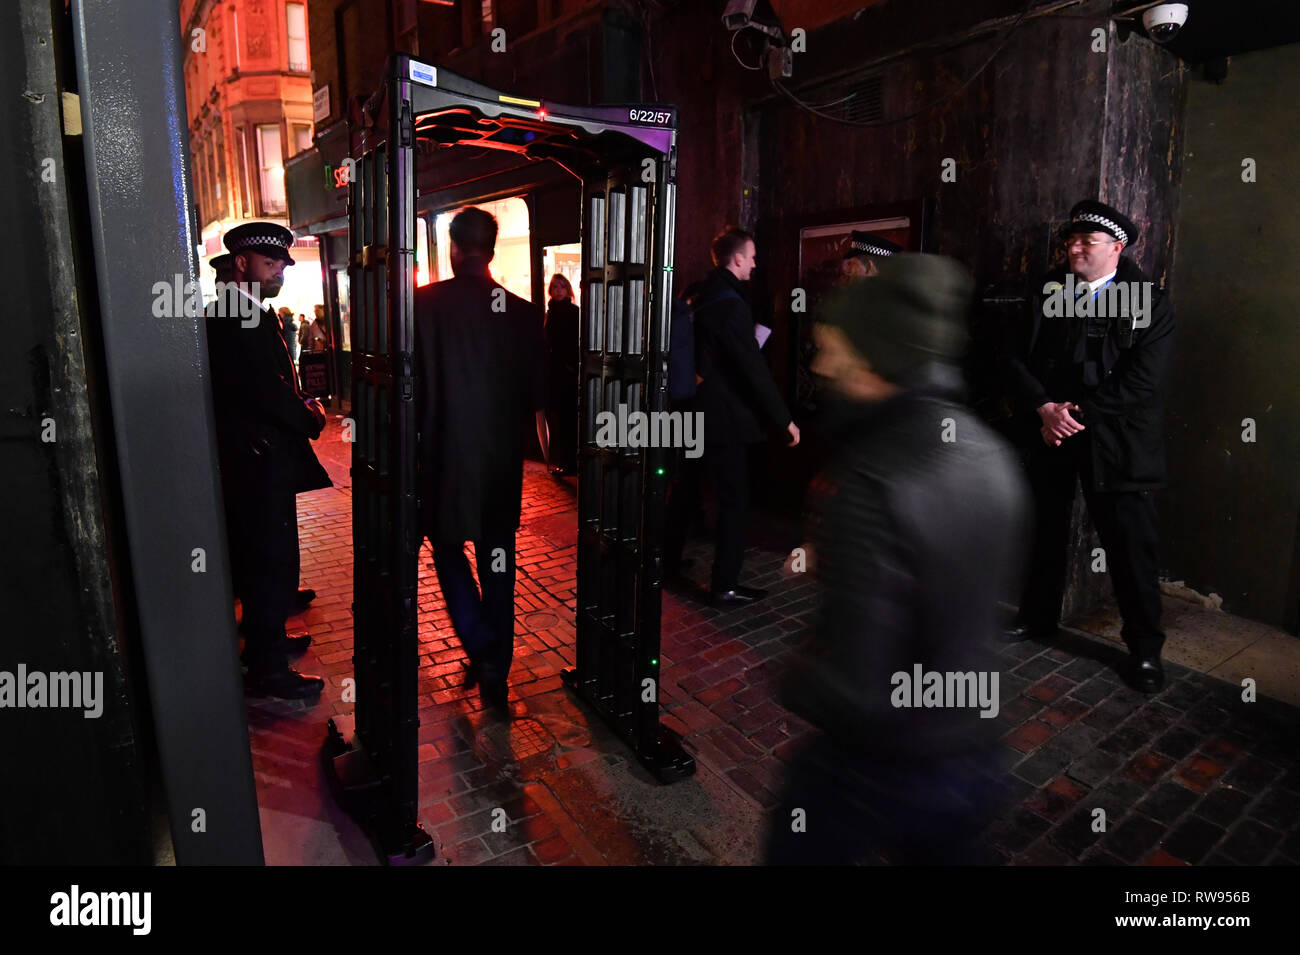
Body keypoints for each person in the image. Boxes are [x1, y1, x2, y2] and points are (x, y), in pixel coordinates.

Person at [766, 254, 1028, 865]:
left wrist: (797, 678)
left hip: (879, 767)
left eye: (832, 347)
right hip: (974, 750)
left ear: (872, 359)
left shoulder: (867, 477)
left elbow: (858, 683)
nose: (819, 363)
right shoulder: (989, 451)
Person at [1001, 199, 1175, 692]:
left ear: (1116, 248)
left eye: (1087, 242)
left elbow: (1144, 379)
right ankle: (1037, 618)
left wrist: (1075, 415)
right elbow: (1013, 358)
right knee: (1043, 531)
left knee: (1130, 549)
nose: (1074, 248)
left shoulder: (1148, 299)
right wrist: (1043, 408)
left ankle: (1144, 651)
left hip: (1116, 443)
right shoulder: (1047, 290)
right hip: (1049, 432)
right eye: (1071, 241)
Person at [413, 208, 549, 714]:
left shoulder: (424, 306)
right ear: (491, 249)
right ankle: (498, 662)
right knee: (499, 561)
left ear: (453, 247)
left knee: (447, 550)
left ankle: (479, 642)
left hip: (443, 456)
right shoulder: (521, 311)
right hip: (497, 461)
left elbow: (409, 392)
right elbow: (536, 393)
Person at [205, 222, 331, 699]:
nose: (278, 270)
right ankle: (267, 668)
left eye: (281, 263)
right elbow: (263, 392)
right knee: (266, 563)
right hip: (256, 463)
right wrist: (309, 417)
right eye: (269, 262)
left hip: (262, 461)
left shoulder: (252, 312)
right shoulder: (237, 316)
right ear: (241, 263)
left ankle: (269, 642)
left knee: (273, 560)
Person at [691, 226, 799, 605]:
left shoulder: (702, 294)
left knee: (690, 492)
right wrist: (783, 419)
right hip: (727, 420)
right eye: (751, 256)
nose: (755, 263)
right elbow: (752, 369)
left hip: (698, 412)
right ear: (736, 258)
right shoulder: (731, 305)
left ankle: (670, 563)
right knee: (735, 504)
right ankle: (725, 585)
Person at [543, 274, 580, 477]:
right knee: (559, 421)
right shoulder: (551, 313)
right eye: (555, 287)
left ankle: (570, 462)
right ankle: (563, 460)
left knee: (569, 420)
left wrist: (570, 366)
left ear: (568, 290)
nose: (558, 290)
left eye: (562, 287)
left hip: (567, 375)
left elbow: (574, 344)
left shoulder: (573, 312)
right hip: (555, 375)